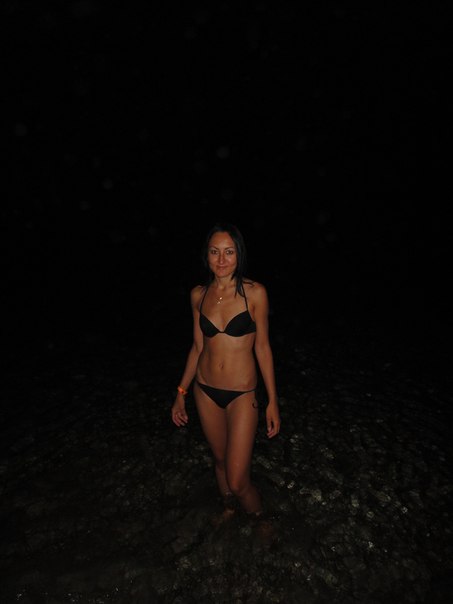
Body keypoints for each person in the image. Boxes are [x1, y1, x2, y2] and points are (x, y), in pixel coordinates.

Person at [171, 222, 280, 520]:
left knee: (238, 480)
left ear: (239, 254)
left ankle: (261, 520)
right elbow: (197, 347)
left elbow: (263, 348)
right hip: (205, 391)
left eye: (229, 252)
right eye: (214, 252)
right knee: (219, 461)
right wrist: (180, 393)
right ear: (206, 255)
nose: (221, 260)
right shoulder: (198, 295)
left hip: (242, 394)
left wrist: (272, 401)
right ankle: (229, 509)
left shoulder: (255, 293)